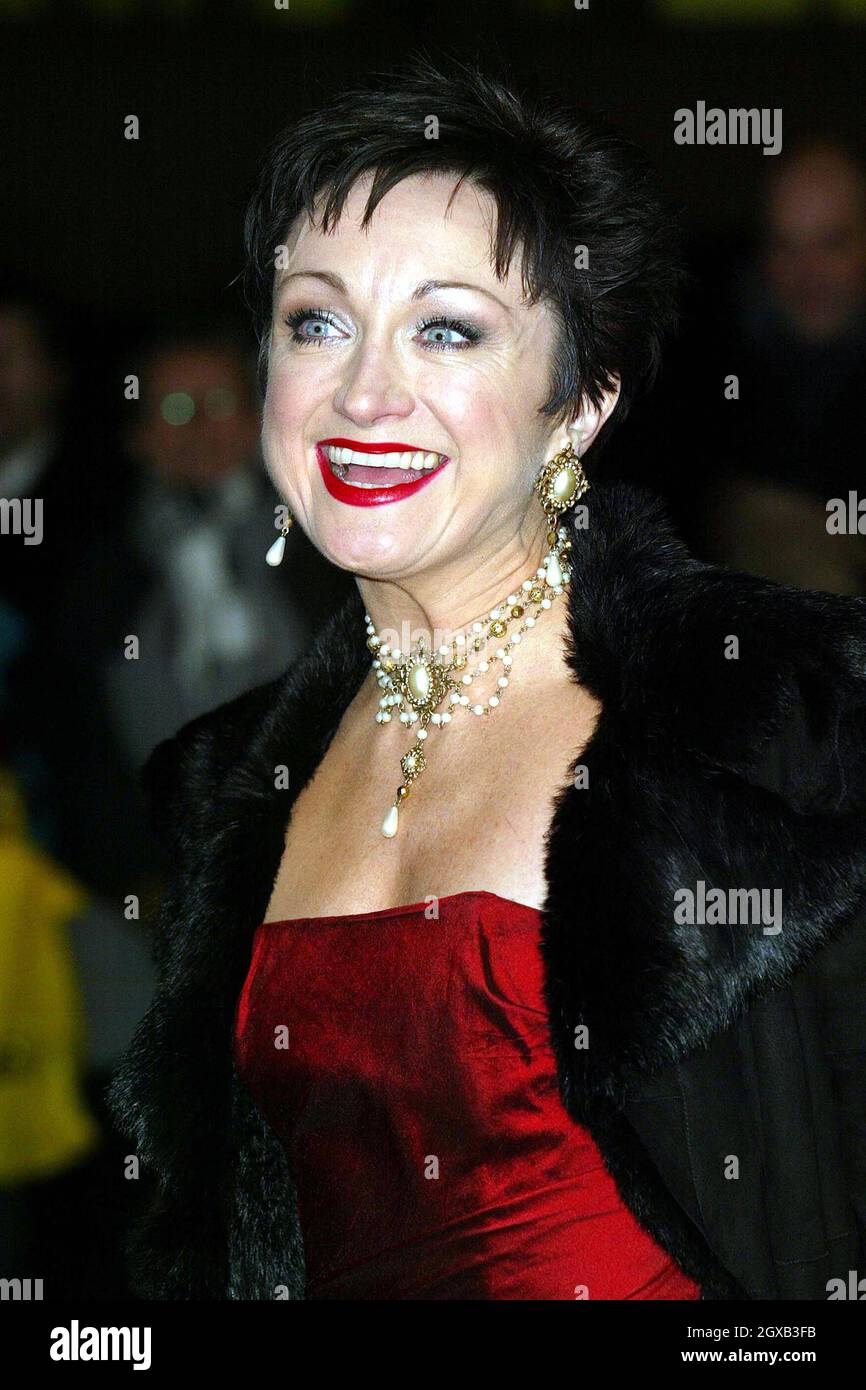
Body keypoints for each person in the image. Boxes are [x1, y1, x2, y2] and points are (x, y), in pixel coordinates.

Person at [106, 55, 866, 1302]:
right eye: (316, 320)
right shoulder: (218, 787)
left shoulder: (785, 725)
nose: (362, 392)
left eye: (446, 329)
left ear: (580, 403)